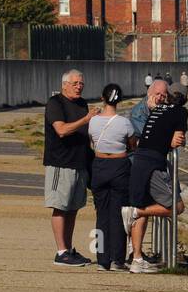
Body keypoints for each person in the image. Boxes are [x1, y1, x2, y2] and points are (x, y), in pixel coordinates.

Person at [123, 81, 187, 274]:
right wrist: (170, 139)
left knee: (143, 205)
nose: (160, 98)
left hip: (149, 163)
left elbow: (170, 137)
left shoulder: (161, 110)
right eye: (157, 94)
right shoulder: (140, 112)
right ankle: (135, 217)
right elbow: (151, 138)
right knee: (175, 206)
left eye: (163, 95)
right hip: (146, 164)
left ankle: (137, 258)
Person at [44, 69, 95, 267]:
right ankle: (61, 251)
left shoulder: (82, 104)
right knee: (60, 206)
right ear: (64, 84)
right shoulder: (55, 103)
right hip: (60, 163)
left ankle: (69, 248)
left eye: (81, 83)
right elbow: (62, 130)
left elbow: (86, 131)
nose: (79, 86)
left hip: (79, 162)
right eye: (75, 83)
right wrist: (86, 119)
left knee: (73, 207)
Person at [88, 83, 134, 271]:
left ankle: (102, 260)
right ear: (119, 100)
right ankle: (117, 259)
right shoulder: (124, 123)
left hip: (99, 166)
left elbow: (91, 142)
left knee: (101, 214)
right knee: (118, 214)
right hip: (119, 166)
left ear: (102, 98)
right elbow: (132, 144)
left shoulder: (93, 121)